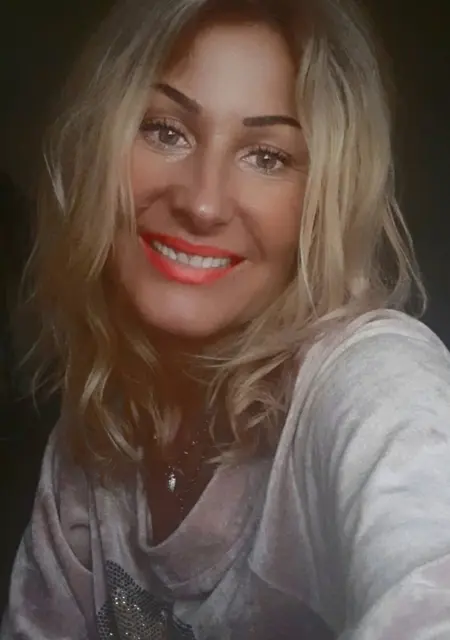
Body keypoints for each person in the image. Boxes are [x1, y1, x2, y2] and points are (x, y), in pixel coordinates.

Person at [3, 0, 450, 637]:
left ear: (319, 200)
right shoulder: (87, 448)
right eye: (166, 131)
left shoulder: (373, 381)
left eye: (267, 157)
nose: (203, 203)